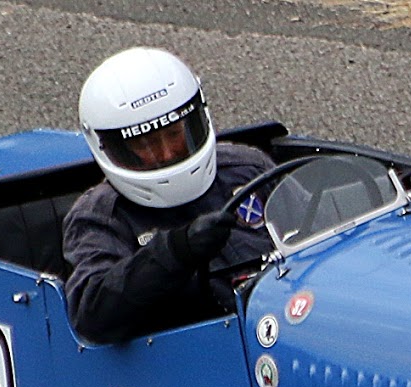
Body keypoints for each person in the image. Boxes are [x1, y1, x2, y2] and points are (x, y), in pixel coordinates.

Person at [62, 47, 274, 344]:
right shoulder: (101, 217)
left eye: (175, 134)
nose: (166, 153)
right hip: (194, 358)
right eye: (146, 144)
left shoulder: (248, 168)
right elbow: (91, 316)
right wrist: (175, 251)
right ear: (111, 147)